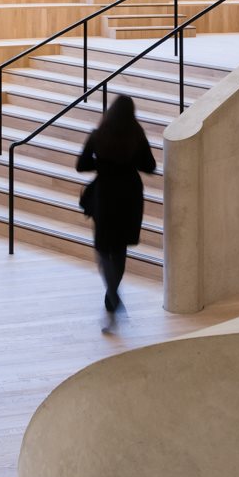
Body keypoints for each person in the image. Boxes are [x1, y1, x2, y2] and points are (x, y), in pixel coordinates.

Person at [76, 94, 157, 330]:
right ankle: (112, 296)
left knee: (102, 247)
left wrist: (101, 164)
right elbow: (149, 166)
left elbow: (81, 165)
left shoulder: (98, 134)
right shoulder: (137, 134)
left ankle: (112, 292)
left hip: (105, 194)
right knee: (119, 248)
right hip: (129, 195)